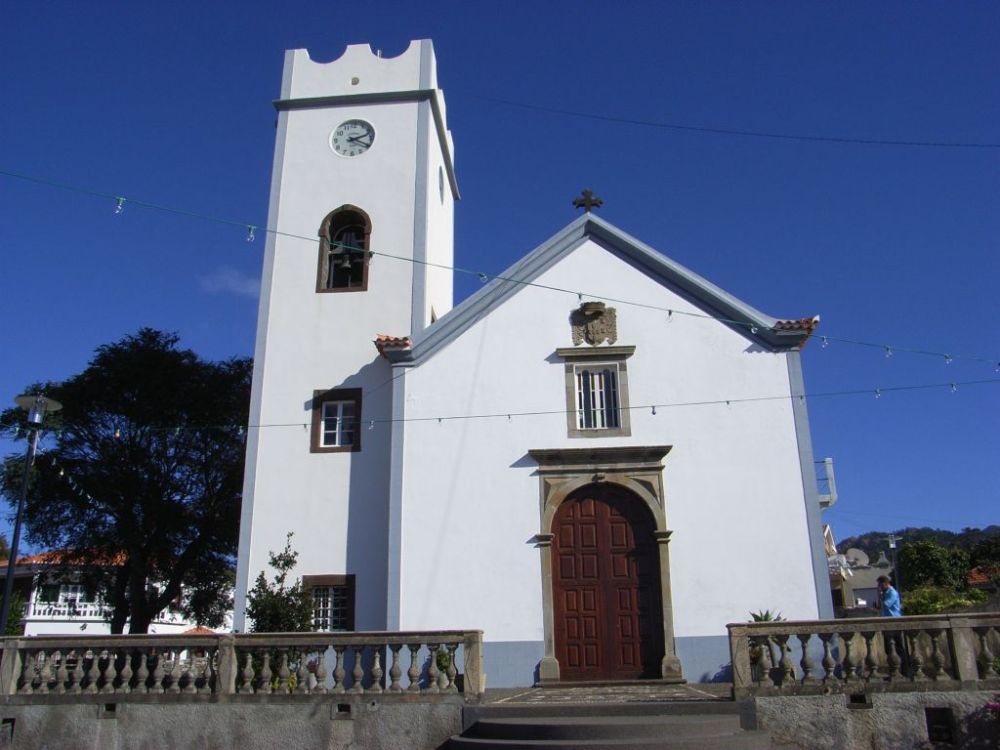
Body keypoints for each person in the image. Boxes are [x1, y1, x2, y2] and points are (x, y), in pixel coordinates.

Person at [876, 575, 909, 675]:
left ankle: (905, 670)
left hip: (894, 622)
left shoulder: (892, 593)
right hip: (887, 621)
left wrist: (881, 595)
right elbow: (879, 607)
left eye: (880, 585)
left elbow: (885, 605)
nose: (879, 587)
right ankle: (894, 670)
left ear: (885, 583)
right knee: (888, 648)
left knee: (898, 647)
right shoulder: (885, 593)